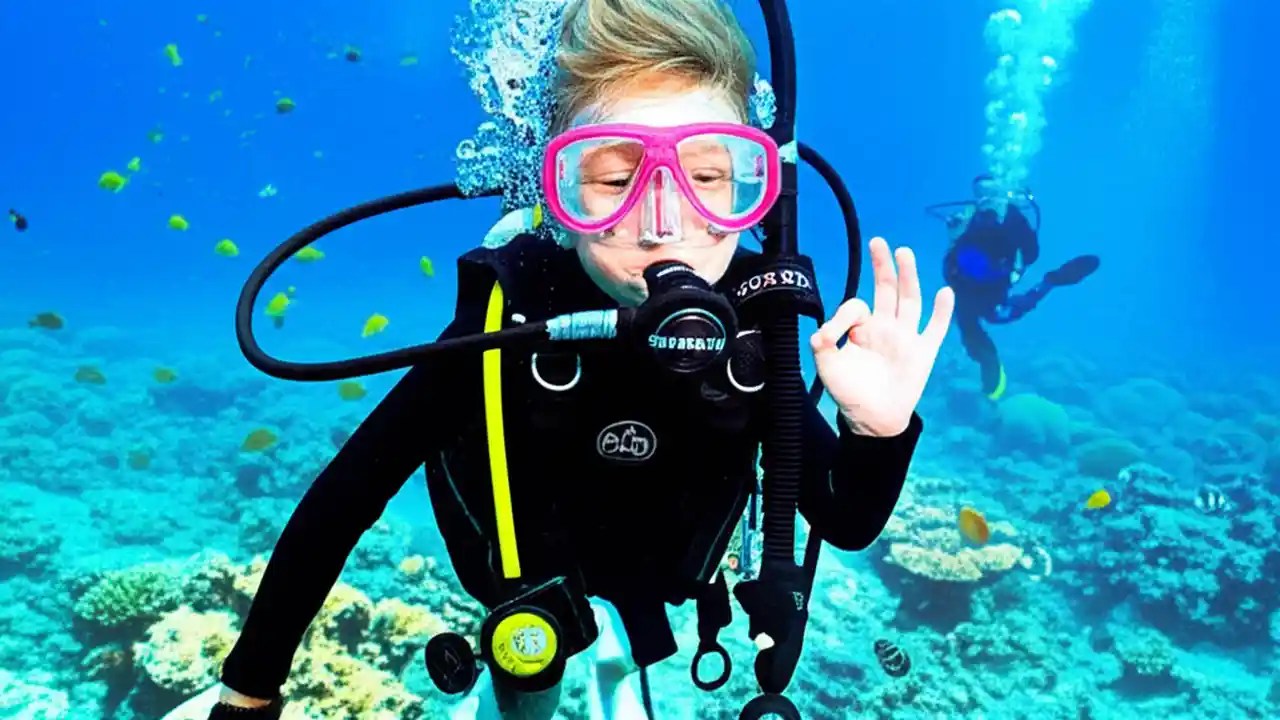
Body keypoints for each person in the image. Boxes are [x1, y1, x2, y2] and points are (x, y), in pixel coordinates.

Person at [202, 0, 954, 718]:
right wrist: (248, 695)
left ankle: (617, 658)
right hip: (530, 584)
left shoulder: (756, 332)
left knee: (594, 645)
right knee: (529, 683)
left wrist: (877, 433)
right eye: (615, 180)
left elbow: (845, 519)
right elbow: (340, 504)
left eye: (708, 178)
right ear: (557, 189)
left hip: (662, 571)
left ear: (754, 184)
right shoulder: (506, 322)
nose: (665, 224)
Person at [936, 173, 1099, 400]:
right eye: (981, 193)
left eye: (991, 192)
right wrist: (955, 235)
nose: (986, 198)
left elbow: (1031, 254)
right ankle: (987, 365)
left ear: (1003, 193)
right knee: (968, 323)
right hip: (965, 286)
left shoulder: (1013, 218)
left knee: (997, 316)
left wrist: (1010, 234)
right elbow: (950, 261)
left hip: (992, 287)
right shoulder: (967, 217)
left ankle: (1050, 282)